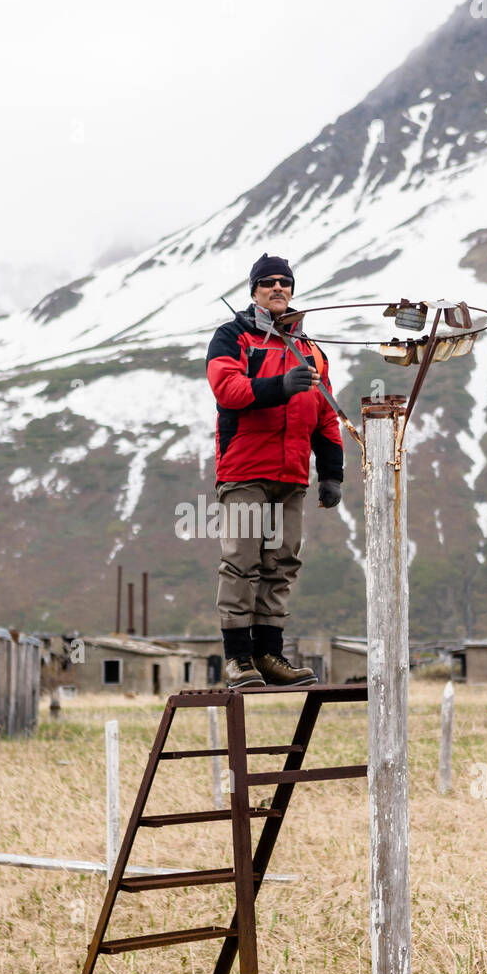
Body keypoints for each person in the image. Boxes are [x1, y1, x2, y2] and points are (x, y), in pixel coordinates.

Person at [205, 252, 344, 689]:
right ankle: (238, 661)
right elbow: (228, 389)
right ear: (254, 290)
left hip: (292, 478)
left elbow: (325, 415)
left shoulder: (310, 350)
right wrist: (279, 387)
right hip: (244, 473)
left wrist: (332, 473)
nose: (278, 288)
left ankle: (269, 657)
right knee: (242, 562)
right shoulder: (232, 336)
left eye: (285, 282)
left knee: (282, 564)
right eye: (268, 282)